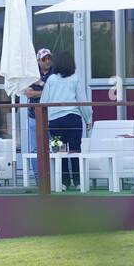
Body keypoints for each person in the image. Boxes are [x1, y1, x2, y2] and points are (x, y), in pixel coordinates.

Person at [40, 51, 91, 189]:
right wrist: (88, 119)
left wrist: (44, 120)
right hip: (73, 119)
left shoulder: (51, 79)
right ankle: (78, 181)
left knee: (59, 151)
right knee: (75, 149)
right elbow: (82, 100)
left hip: (55, 121)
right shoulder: (75, 78)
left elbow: (44, 101)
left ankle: (63, 182)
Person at [23, 48, 54, 178]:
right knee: (36, 149)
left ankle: (55, 179)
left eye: (49, 58)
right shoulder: (32, 73)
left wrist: (40, 84)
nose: (47, 61)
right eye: (44, 59)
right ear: (38, 61)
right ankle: (39, 179)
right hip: (34, 116)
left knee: (55, 147)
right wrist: (44, 91)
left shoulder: (55, 73)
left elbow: (54, 91)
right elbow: (27, 92)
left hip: (52, 115)